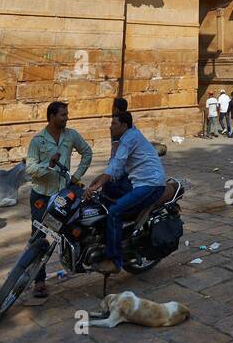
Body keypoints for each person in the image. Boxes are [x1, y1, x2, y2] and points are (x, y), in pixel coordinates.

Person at [24, 101, 92, 297]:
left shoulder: (71, 136)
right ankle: (39, 281)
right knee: (38, 236)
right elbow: (30, 169)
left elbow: (87, 153)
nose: (66, 117)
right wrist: (48, 164)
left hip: (63, 195)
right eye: (63, 115)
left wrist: (77, 176)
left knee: (67, 233)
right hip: (41, 196)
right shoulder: (38, 140)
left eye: (66, 114)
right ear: (52, 116)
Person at [85, 110, 166, 273]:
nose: (111, 127)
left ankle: (114, 260)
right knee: (104, 195)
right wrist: (102, 179)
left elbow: (118, 162)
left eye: (114, 123)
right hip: (137, 181)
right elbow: (117, 169)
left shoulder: (130, 137)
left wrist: (99, 182)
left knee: (114, 212)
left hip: (151, 184)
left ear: (124, 125)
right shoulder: (127, 136)